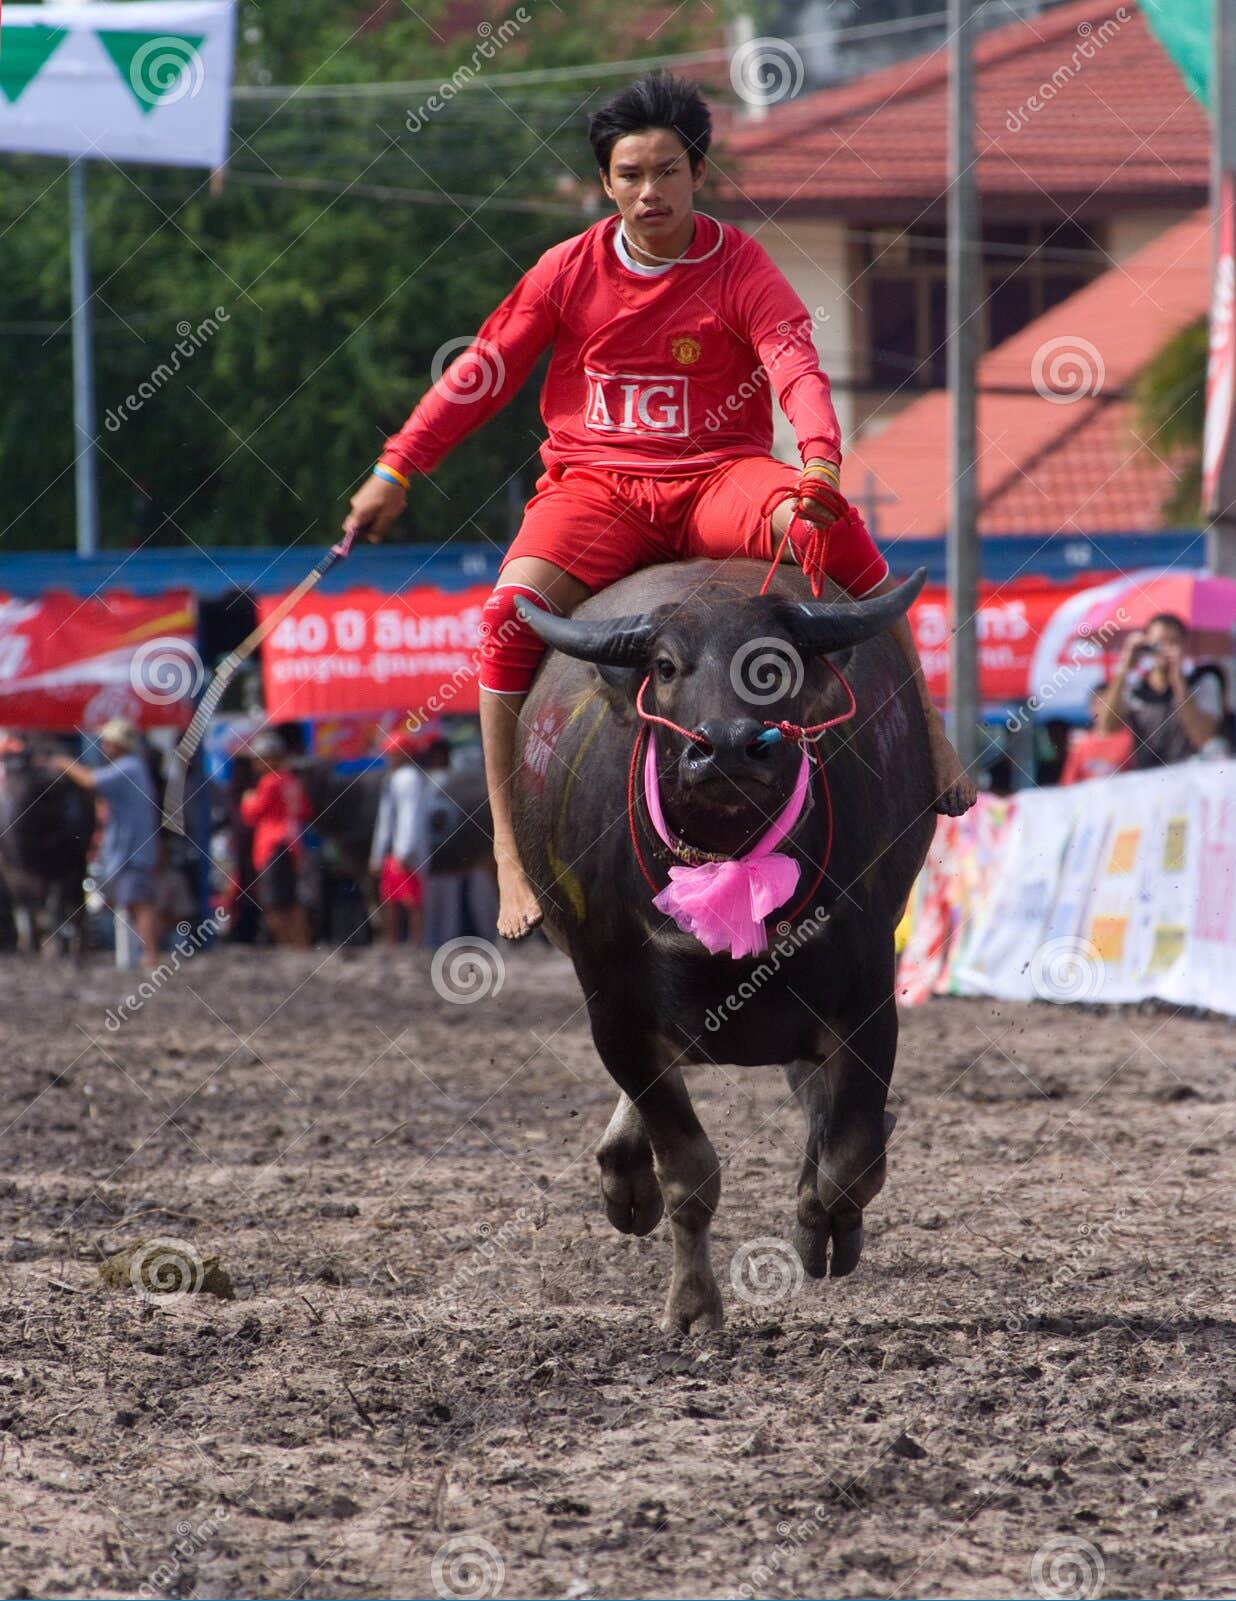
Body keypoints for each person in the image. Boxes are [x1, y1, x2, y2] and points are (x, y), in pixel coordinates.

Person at [342, 72, 976, 940]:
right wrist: (395, 468)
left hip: (719, 476)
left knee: (826, 528)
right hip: (595, 490)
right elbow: (478, 374)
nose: (652, 192)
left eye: (668, 172)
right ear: (607, 183)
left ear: (698, 172)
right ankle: (511, 856)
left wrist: (820, 462)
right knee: (504, 618)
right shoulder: (565, 270)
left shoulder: (740, 263)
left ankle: (935, 739)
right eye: (632, 174)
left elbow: (795, 361)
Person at [50, 718, 160, 968]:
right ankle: (141, 955)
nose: (105, 746)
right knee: (132, 903)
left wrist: (64, 763)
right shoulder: (134, 766)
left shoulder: (129, 766)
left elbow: (90, 781)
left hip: (133, 850)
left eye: (109, 742)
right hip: (129, 848)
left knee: (140, 903)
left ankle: (151, 956)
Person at [1093, 613, 1226, 769]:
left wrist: (1178, 683)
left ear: (1184, 645)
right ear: (1147, 645)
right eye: (1158, 643)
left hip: (1191, 781)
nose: (1164, 649)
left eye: (1173, 643)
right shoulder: (1136, 688)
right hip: (1148, 782)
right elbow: (1105, 726)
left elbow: (1203, 737)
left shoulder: (1202, 682)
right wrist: (1124, 668)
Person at [239, 730, 310, 948]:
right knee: (291, 901)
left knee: (274, 902)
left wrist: (247, 800)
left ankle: (288, 946)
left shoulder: (270, 782)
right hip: (291, 844)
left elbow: (252, 814)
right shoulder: (291, 780)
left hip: (272, 846)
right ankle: (301, 946)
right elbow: (305, 810)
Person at [368, 727, 437, 945]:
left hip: (406, 850)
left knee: (410, 899)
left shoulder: (409, 778)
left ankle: (414, 941)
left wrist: (404, 851)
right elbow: (385, 820)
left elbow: (410, 815)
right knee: (389, 898)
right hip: (393, 850)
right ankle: (393, 940)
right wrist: (378, 854)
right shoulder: (394, 778)